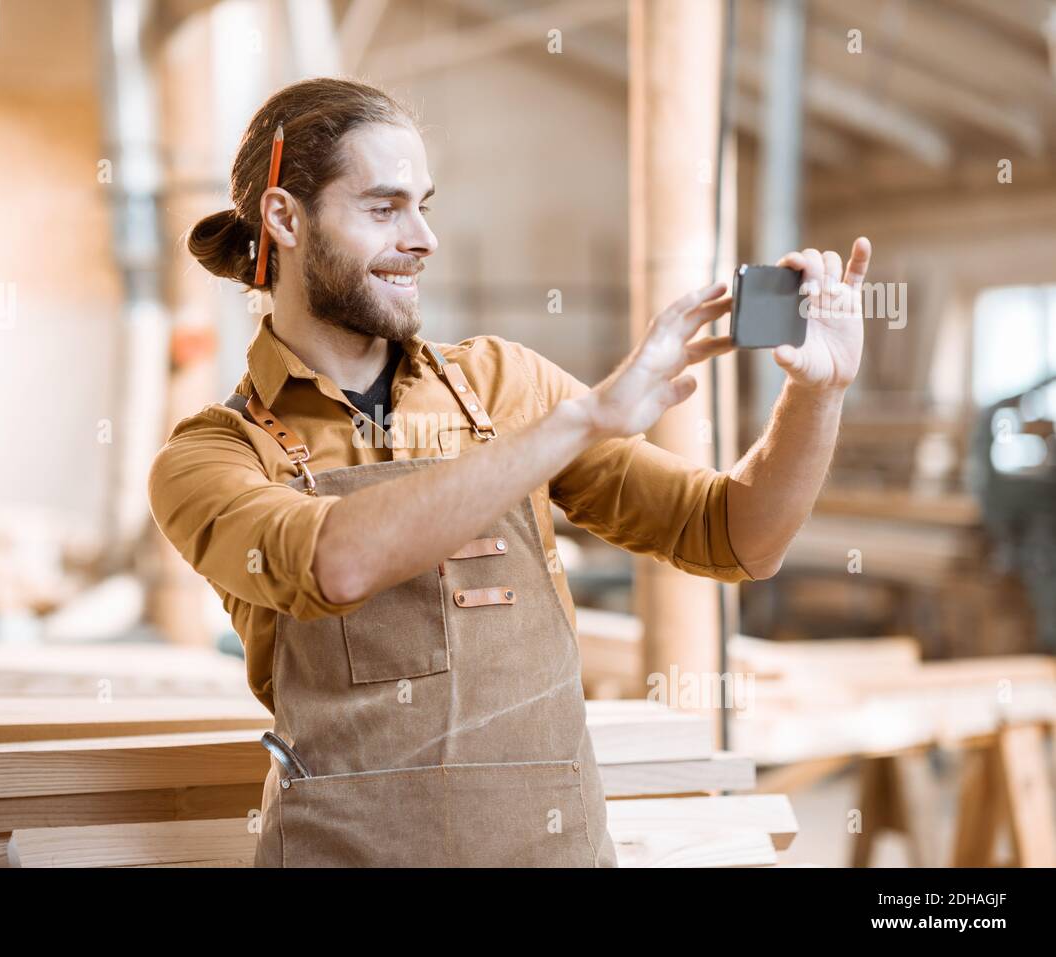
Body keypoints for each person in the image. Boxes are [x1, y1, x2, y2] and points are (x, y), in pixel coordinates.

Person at [148, 77, 872, 867]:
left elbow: (734, 537)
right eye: (384, 209)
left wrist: (817, 394)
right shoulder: (211, 456)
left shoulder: (506, 385)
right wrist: (579, 420)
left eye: (426, 204)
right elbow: (338, 559)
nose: (423, 237)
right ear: (284, 219)